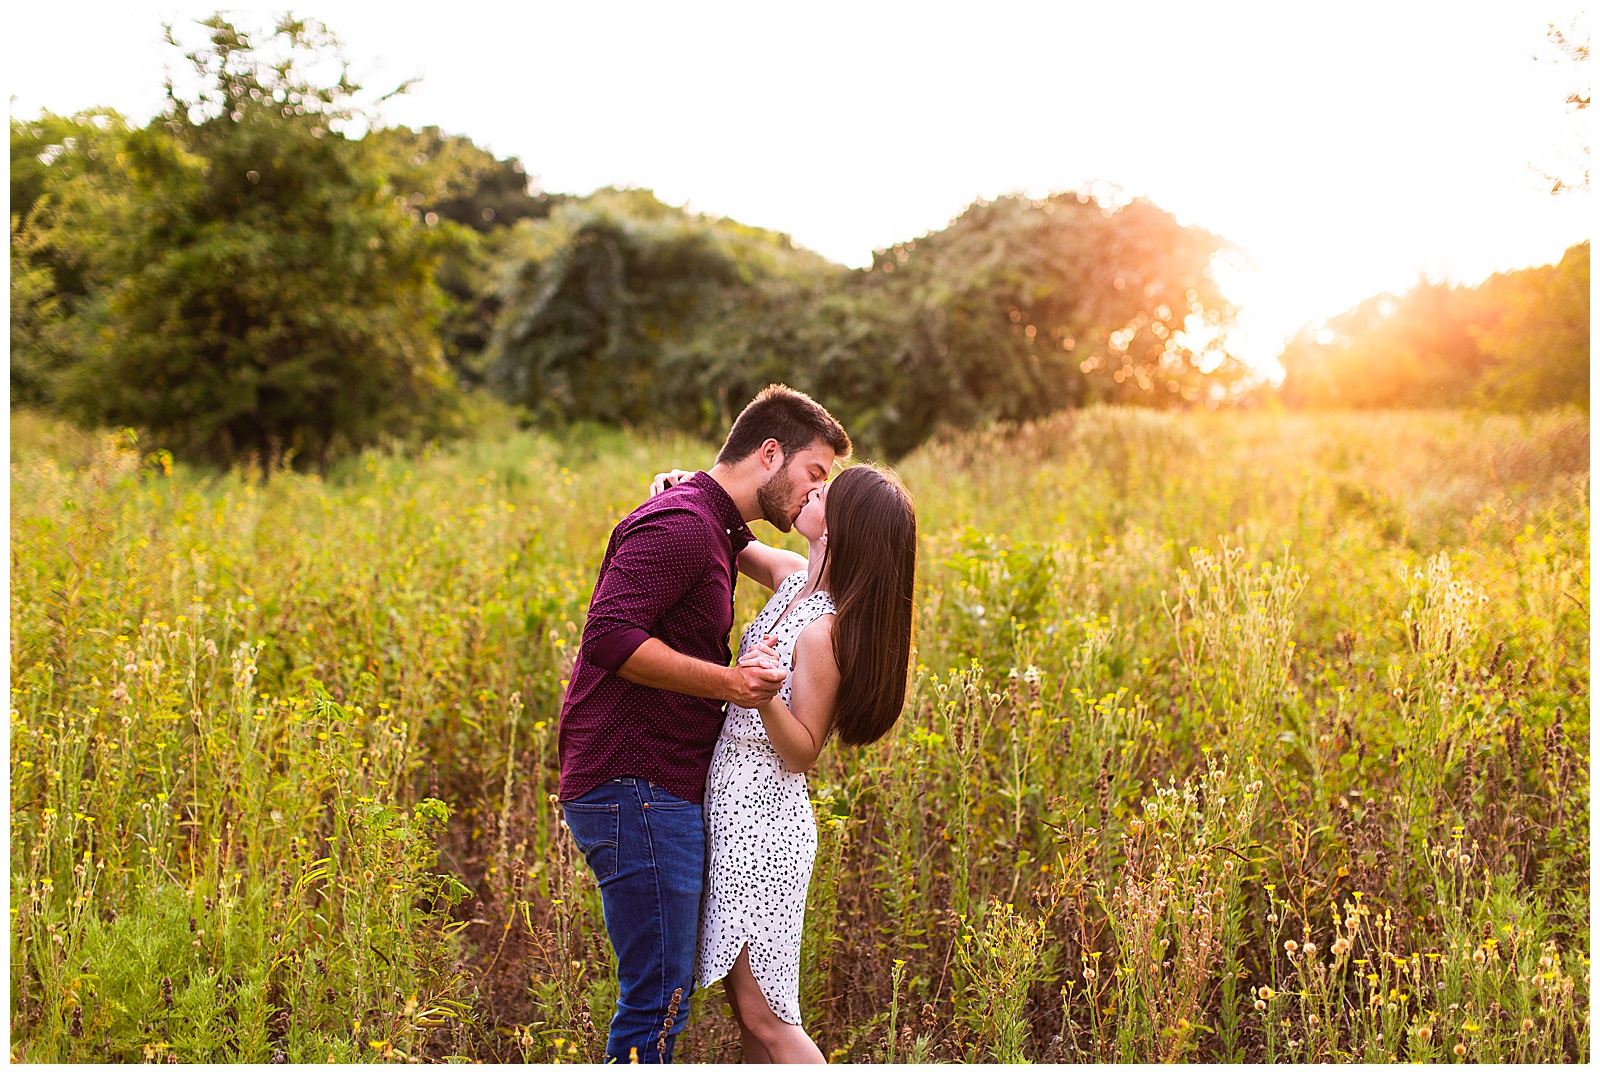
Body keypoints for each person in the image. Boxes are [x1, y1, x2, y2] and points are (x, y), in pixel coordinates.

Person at [556, 384, 851, 1064]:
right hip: (636, 782)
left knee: (694, 999)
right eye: (814, 473)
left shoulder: (710, 526)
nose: (813, 493)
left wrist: (689, 488)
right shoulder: (686, 524)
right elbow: (607, 637)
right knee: (660, 997)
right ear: (770, 453)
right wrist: (733, 684)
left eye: (826, 489)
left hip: (675, 790)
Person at [656, 463, 918, 1063]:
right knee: (749, 1018)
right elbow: (738, 542)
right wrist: (689, 488)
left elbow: (803, 749)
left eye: (826, 492)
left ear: (845, 528)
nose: (811, 491)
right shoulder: (794, 578)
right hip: (734, 810)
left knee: (766, 1016)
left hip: (763, 826)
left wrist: (764, 693)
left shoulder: (823, 633)